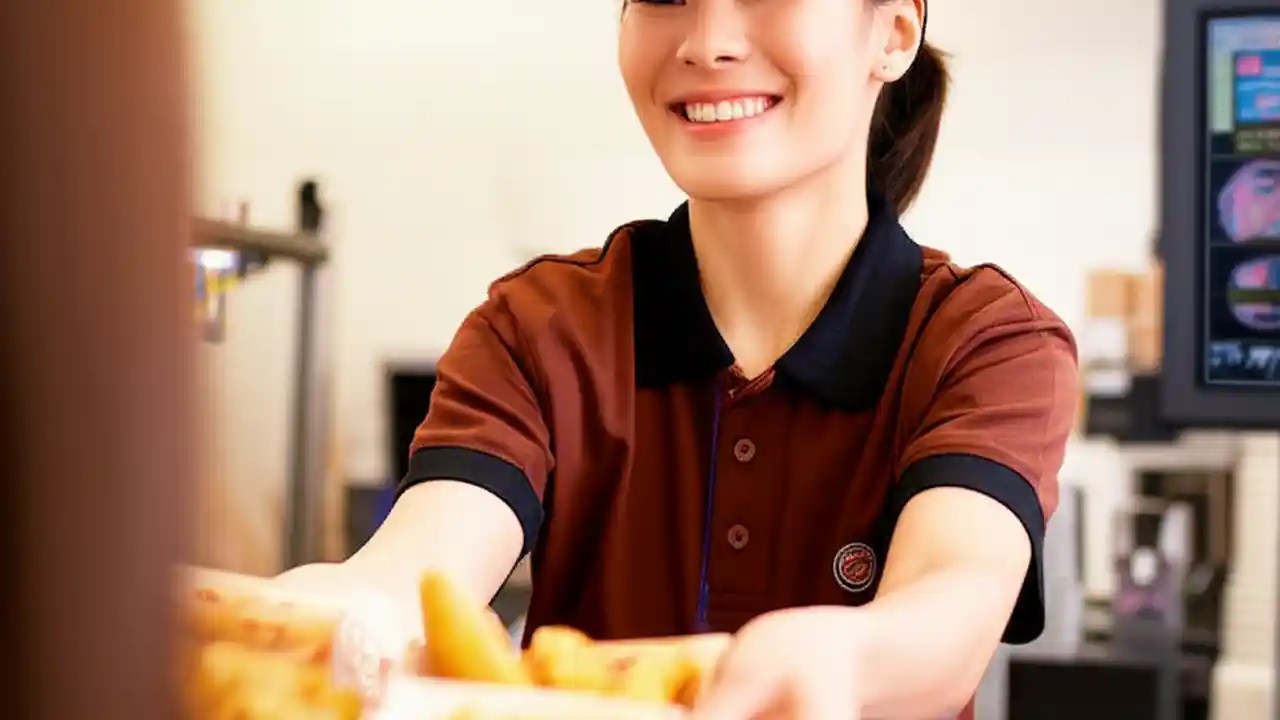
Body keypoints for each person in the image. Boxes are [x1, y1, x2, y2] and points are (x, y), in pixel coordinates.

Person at [279, 0, 1078, 717]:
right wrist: (313, 619)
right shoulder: (537, 325)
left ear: (894, 33)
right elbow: (419, 575)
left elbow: (949, 606)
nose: (706, 40)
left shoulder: (987, 343)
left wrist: (824, 661)